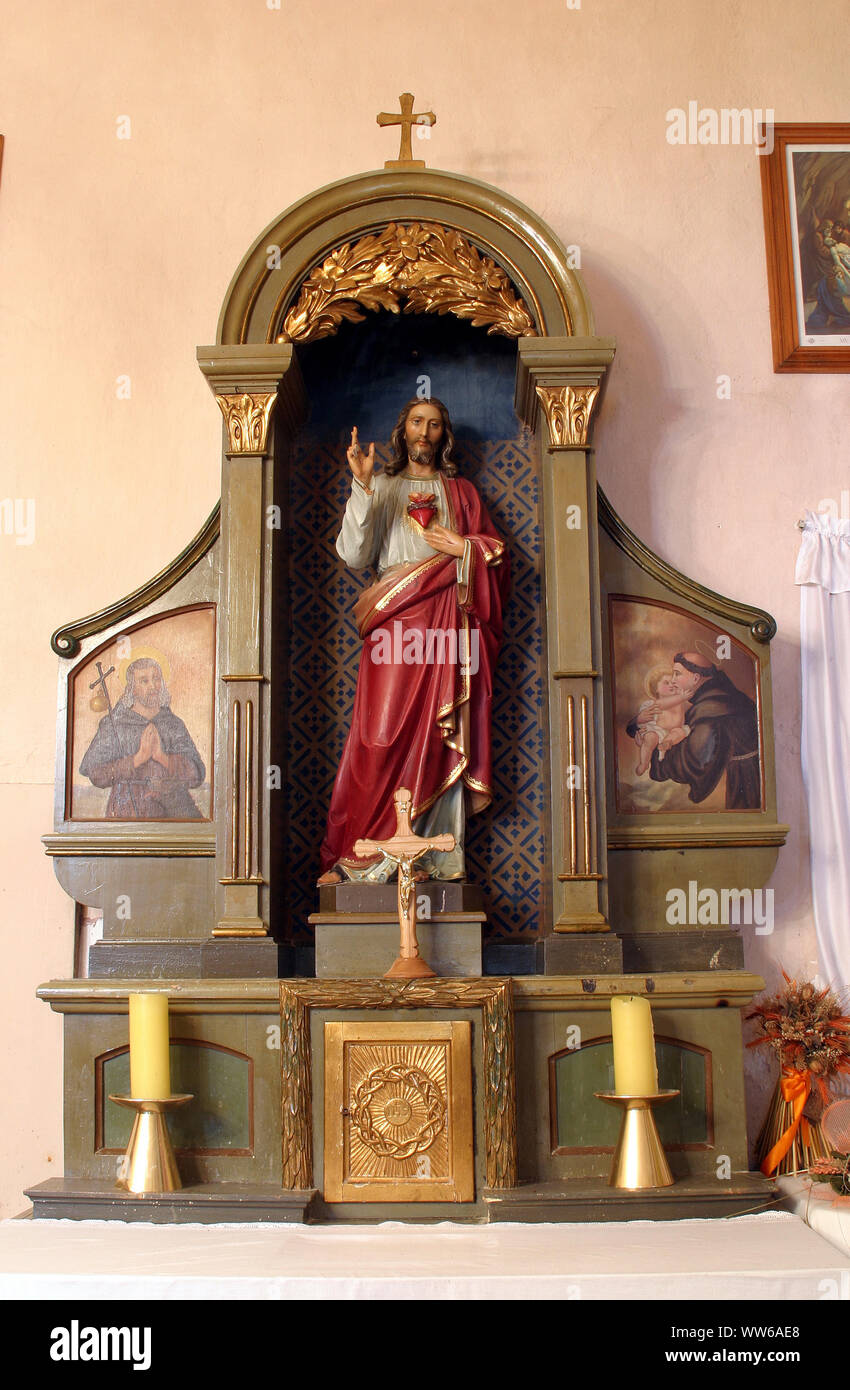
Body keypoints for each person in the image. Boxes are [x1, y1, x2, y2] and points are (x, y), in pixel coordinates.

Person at [317, 397, 509, 885]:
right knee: (378, 737)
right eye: (418, 423)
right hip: (394, 626)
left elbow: (498, 557)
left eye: (436, 425)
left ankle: (426, 857)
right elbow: (355, 554)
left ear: (444, 436)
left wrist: (463, 548)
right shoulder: (380, 486)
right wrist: (361, 485)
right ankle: (358, 853)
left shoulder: (462, 492)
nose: (426, 432)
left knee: (439, 733)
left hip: (447, 627)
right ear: (403, 432)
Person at [628, 651, 761, 809]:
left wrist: (655, 753)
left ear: (696, 678)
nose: (673, 680)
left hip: (745, 782)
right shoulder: (719, 696)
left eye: (677, 674)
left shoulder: (711, 710)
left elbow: (693, 761)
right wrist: (637, 723)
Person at [79, 657, 206, 818]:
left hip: (175, 811)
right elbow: (95, 773)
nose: (152, 686)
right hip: (129, 809)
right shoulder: (115, 723)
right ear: (132, 688)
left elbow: (197, 775)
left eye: (156, 679)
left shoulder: (173, 724)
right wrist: (138, 759)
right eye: (144, 681)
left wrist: (163, 757)